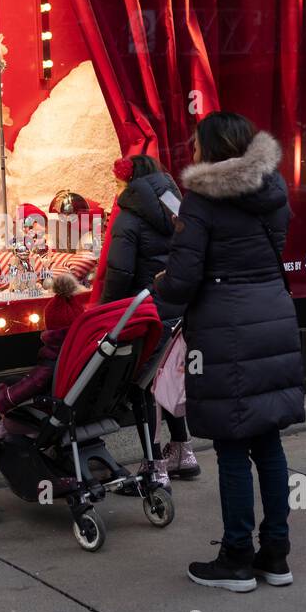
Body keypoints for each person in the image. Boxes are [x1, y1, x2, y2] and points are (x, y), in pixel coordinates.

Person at [155, 112, 305, 593]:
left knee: (233, 446)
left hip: (227, 326)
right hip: (273, 317)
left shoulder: (201, 200)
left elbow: (182, 278)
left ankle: (237, 559)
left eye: (196, 144)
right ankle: (276, 555)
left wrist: (158, 288)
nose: (192, 152)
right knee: (268, 442)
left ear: (212, 149)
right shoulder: (273, 190)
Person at [99, 155, 200, 483]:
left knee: (142, 386)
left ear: (129, 182)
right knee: (170, 380)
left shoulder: (128, 218)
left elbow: (119, 272)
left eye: (117, 182)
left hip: (146, 313)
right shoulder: (178, 208)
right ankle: (183, 450)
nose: (116, 188)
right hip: (179, 310)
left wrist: (106, 315)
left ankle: (154, 465)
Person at [0, 273, 86, 439]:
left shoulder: (53, 356)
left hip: (50, 410)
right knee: (14, 381)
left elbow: (33, 383)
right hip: (75, 407)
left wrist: (1, 402)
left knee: (10, 393)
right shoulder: (81, 348)